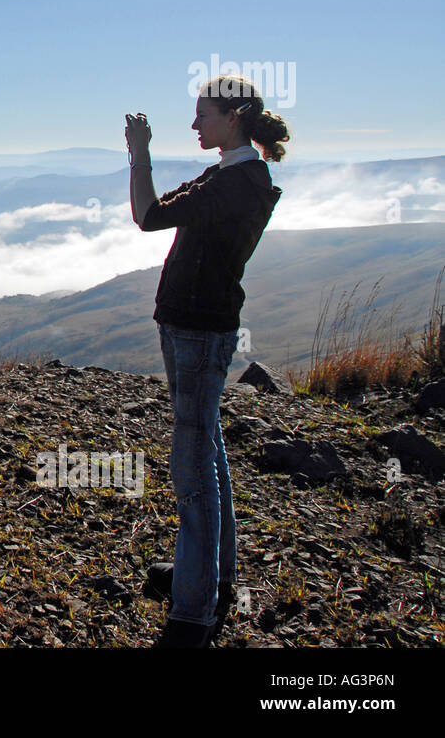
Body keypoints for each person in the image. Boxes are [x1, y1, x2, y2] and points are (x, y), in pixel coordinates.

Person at [126, 74, 288, 647]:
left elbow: (147, 215)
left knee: (191, 469)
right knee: (207, 450)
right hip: (199, 326)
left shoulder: (235, 182)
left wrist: (139, 156)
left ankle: (192, 612)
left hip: (197, 330)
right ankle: (210, 578)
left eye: (204, 115)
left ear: (235, 117)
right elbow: (163, 212)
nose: (194, 124)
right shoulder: (232, 175)